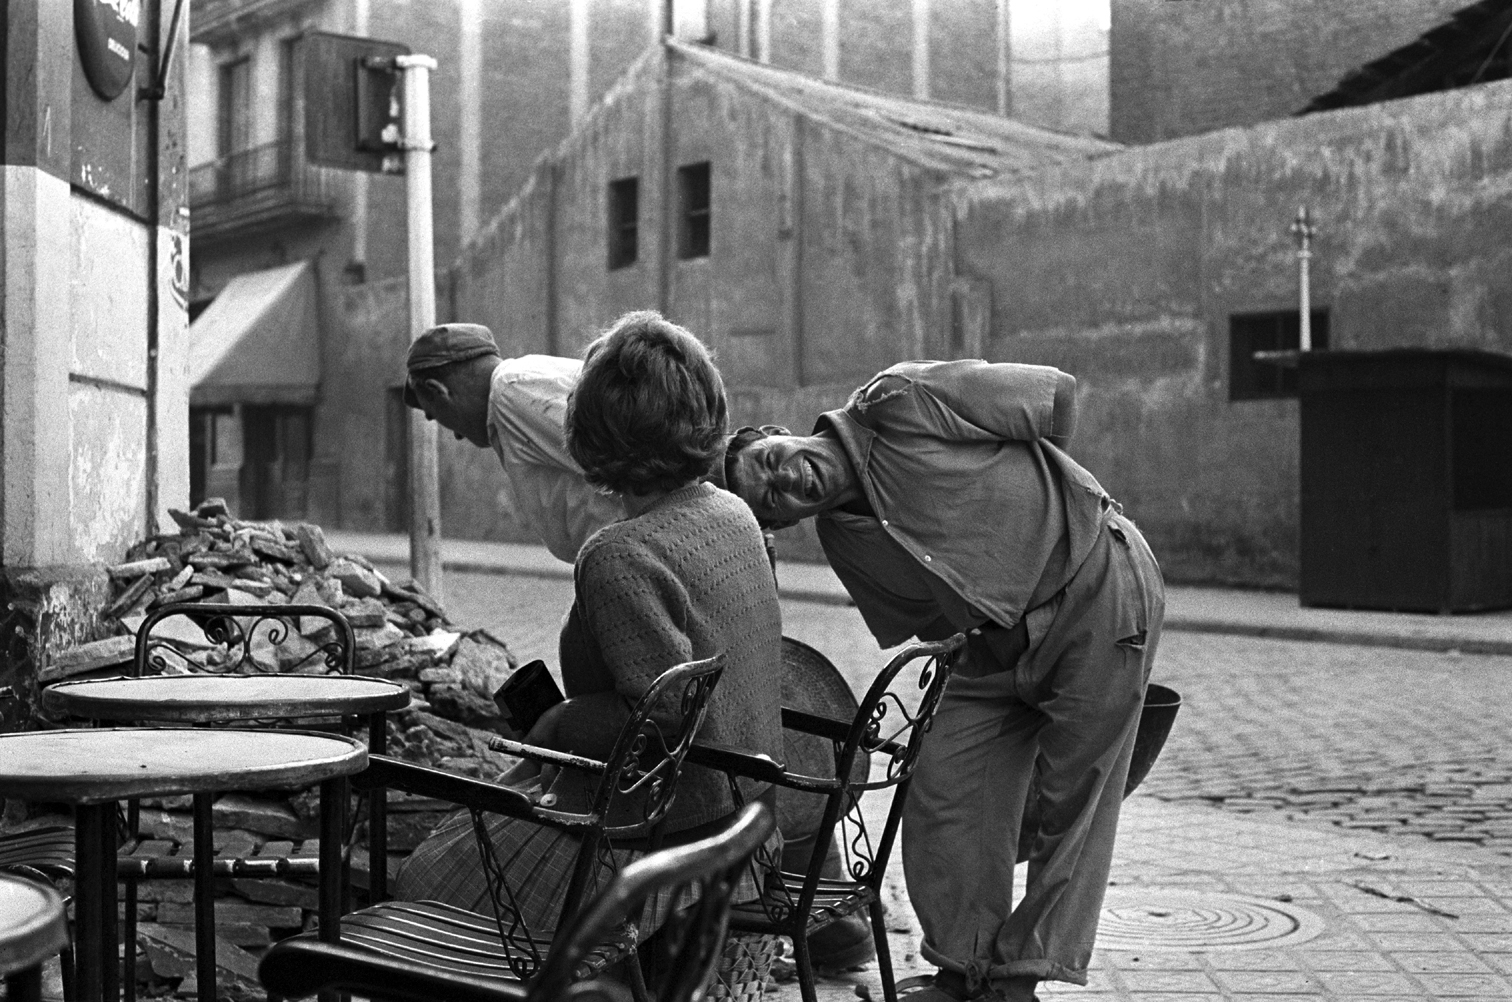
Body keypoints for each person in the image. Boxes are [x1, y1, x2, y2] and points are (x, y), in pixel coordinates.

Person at [402, 319, 877, 969]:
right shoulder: (734, 514)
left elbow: (663, 720)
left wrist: (560, 723)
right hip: (747, 824)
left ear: (589, 436)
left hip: (669, 849)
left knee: (428, 881)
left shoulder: (617, 555)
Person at [724, 359, 1165, 1002]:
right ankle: (965, 971)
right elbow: (925, 617)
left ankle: (1017, 981)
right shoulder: (842, 538)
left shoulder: (898, 399)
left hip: (1097, 587)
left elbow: (1056, 398)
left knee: (1077, 801)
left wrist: (1029, 504)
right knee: (942, 784)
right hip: (993, 647)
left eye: (768, 459)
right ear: (781, 523)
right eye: (770, 499)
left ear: (777, 432)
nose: (784, 479)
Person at [402, 323, 621, 563]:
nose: (457, 435)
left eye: (436, 414)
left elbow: (626, 457)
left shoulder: (510, 394)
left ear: (439, 391)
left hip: (628, 554)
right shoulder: (514, 391)